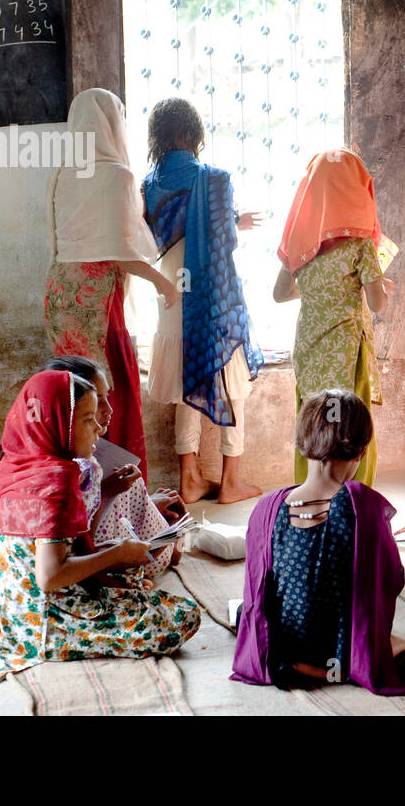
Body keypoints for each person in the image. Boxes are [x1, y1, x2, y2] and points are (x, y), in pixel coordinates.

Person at [0, 370, 200, 684]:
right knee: (183, 616)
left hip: (5, 618)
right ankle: (59, 643)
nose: (97, 429)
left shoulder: (16, 466)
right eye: (87, 420)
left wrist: (118, 554)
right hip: (43, 624)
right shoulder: (55, 483)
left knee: (130, 578)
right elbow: (50, 576)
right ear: (58, 422)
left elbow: (62, 550)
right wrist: (116, 553)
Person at [232, 390, 405, 692]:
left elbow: (258, 593)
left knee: (245, 606)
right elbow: (389, 580)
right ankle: (346, 659)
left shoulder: (267, 507)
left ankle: (306, 661)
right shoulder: (361, 505)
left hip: (287, 646)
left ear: (302, 443)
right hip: (339, 646)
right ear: (361, 451)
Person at [44, 88, 177, 481]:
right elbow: (118, 250)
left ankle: (74, 486)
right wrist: (163, 284)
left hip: (60, 296)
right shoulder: (117, 175)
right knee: (108, 396)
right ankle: (116, 493)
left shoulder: (63, 172)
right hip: (96, 299)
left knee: (72, 394)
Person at [143, 98, 264, 505]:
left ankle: (189, 478)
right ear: (195, 135)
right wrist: (236, 222)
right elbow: (220, 240)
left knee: (186, 385)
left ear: (157, 137)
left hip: (172, 293)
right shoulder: (215, 179)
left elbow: (155, 237)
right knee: (231, 386)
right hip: (211, 296)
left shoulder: (148, 184)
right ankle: (230, 481)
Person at [274, 148, 392, 488]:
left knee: (313, 420)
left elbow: (280, 294)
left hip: (308, 348)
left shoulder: (300, 242)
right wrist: (380, 286)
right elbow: (377, 304)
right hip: (346, 353)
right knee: (350, 422)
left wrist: (318, 291)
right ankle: (354, 497)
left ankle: (308, 491)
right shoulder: (360, 246)